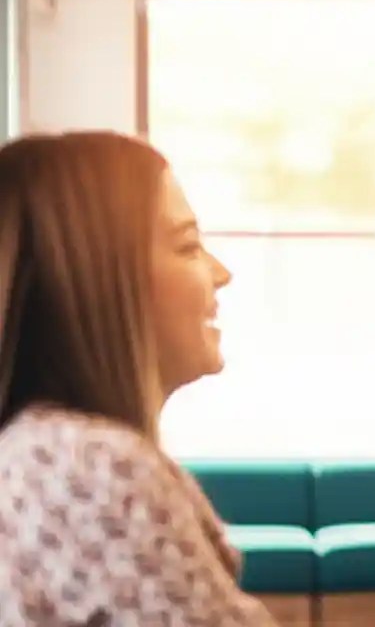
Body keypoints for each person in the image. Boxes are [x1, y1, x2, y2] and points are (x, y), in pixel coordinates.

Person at [0, 132, 276, 624]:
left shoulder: (43, 456)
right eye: (188, 246)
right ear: (102, 276)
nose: (220, 273)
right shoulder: (85, 463)